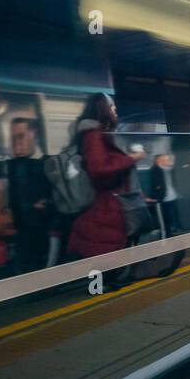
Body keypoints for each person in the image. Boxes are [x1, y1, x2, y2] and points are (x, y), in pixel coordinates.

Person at [67, 93, 136, 260]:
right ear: (103, 109)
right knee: (105, 253)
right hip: (105, 206)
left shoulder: (99, 134)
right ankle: (103, 283)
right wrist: (131, 159)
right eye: (112, 107)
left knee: (110, 252)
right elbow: (99, 168)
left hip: (110, 205)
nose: (115, 111)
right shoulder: (93, 135)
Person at [7, 117, 53, 272]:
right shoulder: (14, 165)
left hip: (43, 229)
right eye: (13, 139)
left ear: (33, 134)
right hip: (23, 229)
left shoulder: (47, 162)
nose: (17, 145)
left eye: (20, 136)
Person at [146, 153, 183, 235]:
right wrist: (155, 197)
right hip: (164, 198)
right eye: (164, 159)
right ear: (158, 160)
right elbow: (155, 185)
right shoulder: (155, 169)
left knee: (173, 216)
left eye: (166, 159)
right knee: (165, 219)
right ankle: (167, 234)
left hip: (172, 196)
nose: (166, 160)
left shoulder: (168, 169)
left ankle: (174, 230)